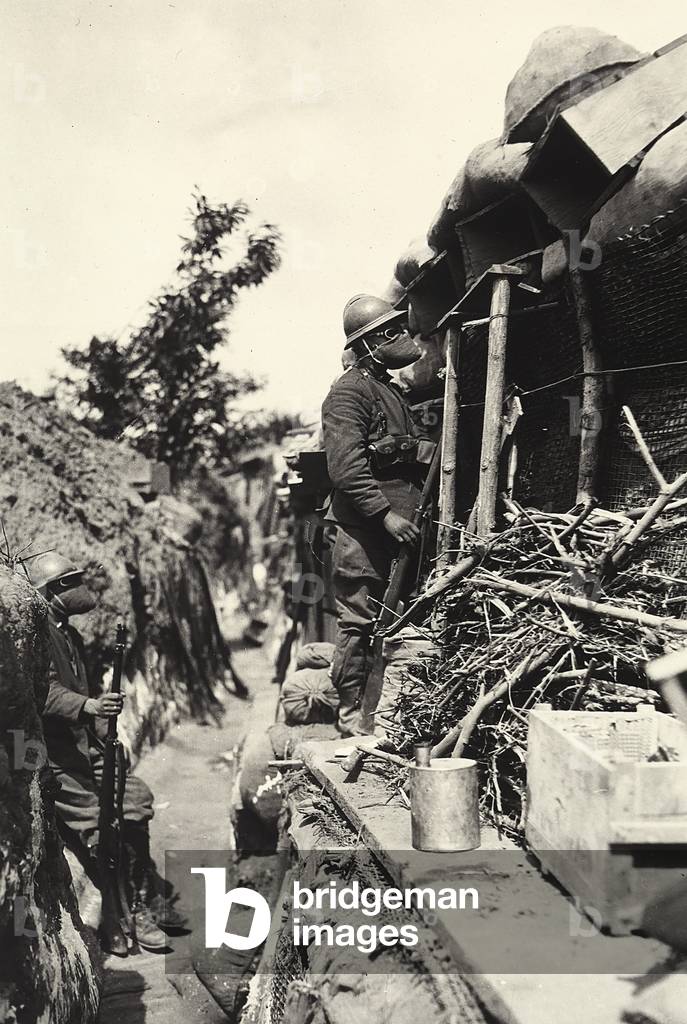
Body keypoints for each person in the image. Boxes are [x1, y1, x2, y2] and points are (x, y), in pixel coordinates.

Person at [23, 549, 183, 956]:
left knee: (135, 799)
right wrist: (89, 706)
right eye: (74, 582)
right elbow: (42, 692)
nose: (84, 589)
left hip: (85, 749)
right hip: (55, 759)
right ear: (56, 591)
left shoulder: (69, 633)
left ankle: (143, 894)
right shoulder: (35, 637)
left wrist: (101, 727)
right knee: (101, 823)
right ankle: (125, 911)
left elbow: (79, 691)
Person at [321, 294, 432, 736]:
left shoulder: (388, 389)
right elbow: (345, 467)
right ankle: (350, 716)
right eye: (391, 332)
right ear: (367, 345)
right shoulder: (348, 392)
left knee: (393, 617)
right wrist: (384, 515)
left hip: (398, 528)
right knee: (360, 619)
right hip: (363, 529)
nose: (402, 338)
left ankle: (379, 716)